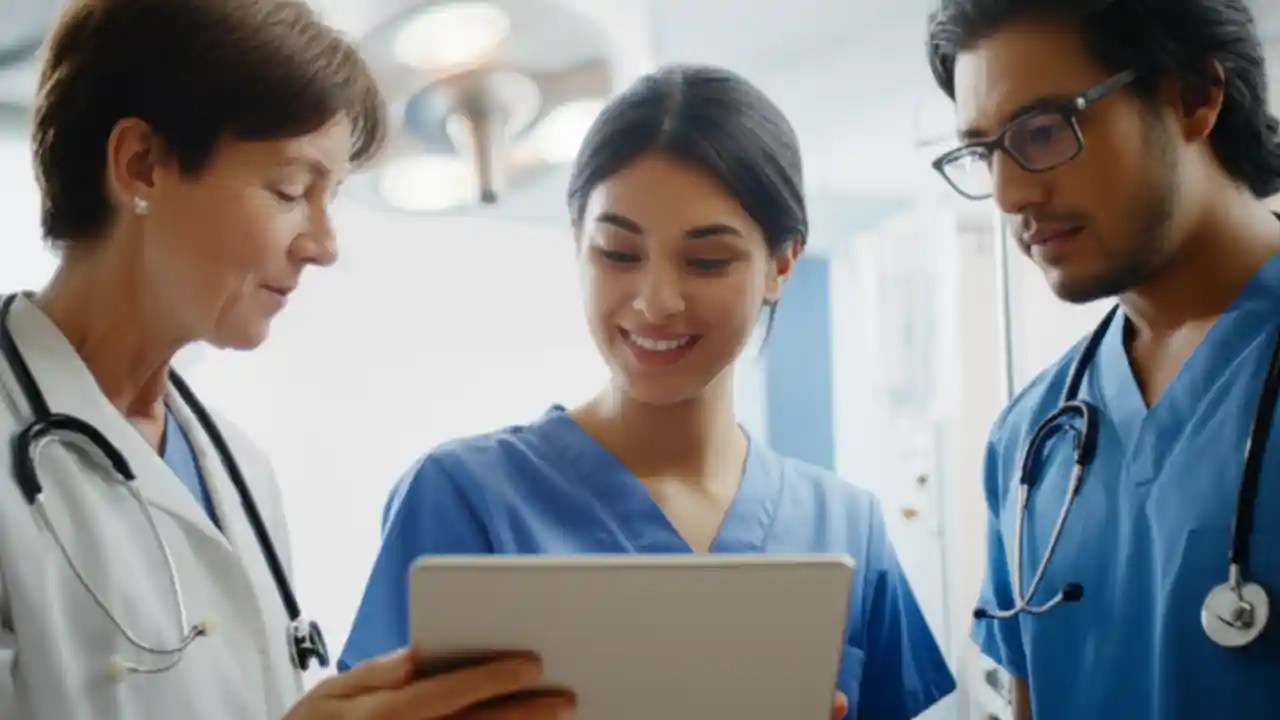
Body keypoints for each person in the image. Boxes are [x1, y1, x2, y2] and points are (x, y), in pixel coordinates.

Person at [0, 1, 573, 718]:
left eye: (330, 198)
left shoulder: (239, 473)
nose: (324, 244)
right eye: (291, 191)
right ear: (141, 164)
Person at [338, 63, 957, 719]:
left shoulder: (845, 528)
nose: (656, 302)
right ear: (577, 241)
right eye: (618, 252)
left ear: (780, 265)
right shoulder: (463, 499)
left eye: (707, 260)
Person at [926, 0, 1280, 718]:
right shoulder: (1031, 437)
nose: (1009, 193)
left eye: (1045, 131)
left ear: (1193, 97)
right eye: (984, 151)